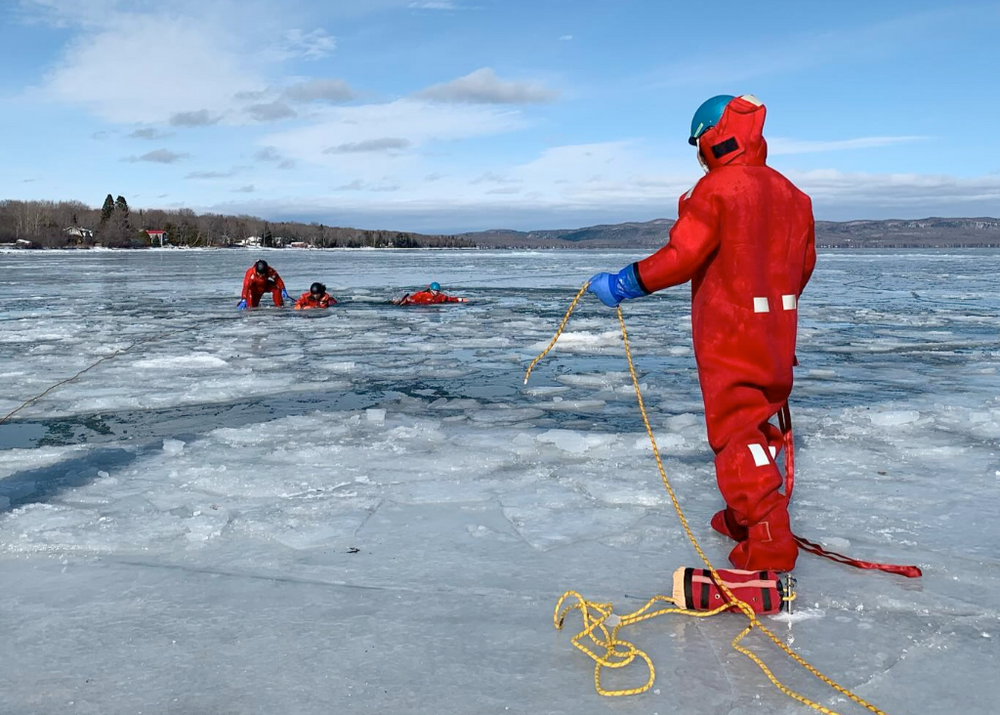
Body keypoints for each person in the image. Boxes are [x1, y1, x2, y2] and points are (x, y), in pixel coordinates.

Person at [587, 94, 816, 572]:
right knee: (759, 419)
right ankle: (744, 514)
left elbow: (682, 256)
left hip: (730, 333)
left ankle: (769, 535)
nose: (697, 155)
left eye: (697, 145)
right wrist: (776, 315)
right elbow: (802, 265)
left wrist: (627, 282)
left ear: (713, 138)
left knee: (736, 429)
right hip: (777, 331)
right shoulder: (794, 195)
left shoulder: (718, 189)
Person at [394, 282, 468, 305]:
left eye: (438, 291)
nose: (436, 292)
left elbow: (451, 299)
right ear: (430, 289)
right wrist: (405, 301)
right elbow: (411, 299)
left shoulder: (441, 297)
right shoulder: (422, 295)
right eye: (435, 290)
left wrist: (461, 299)